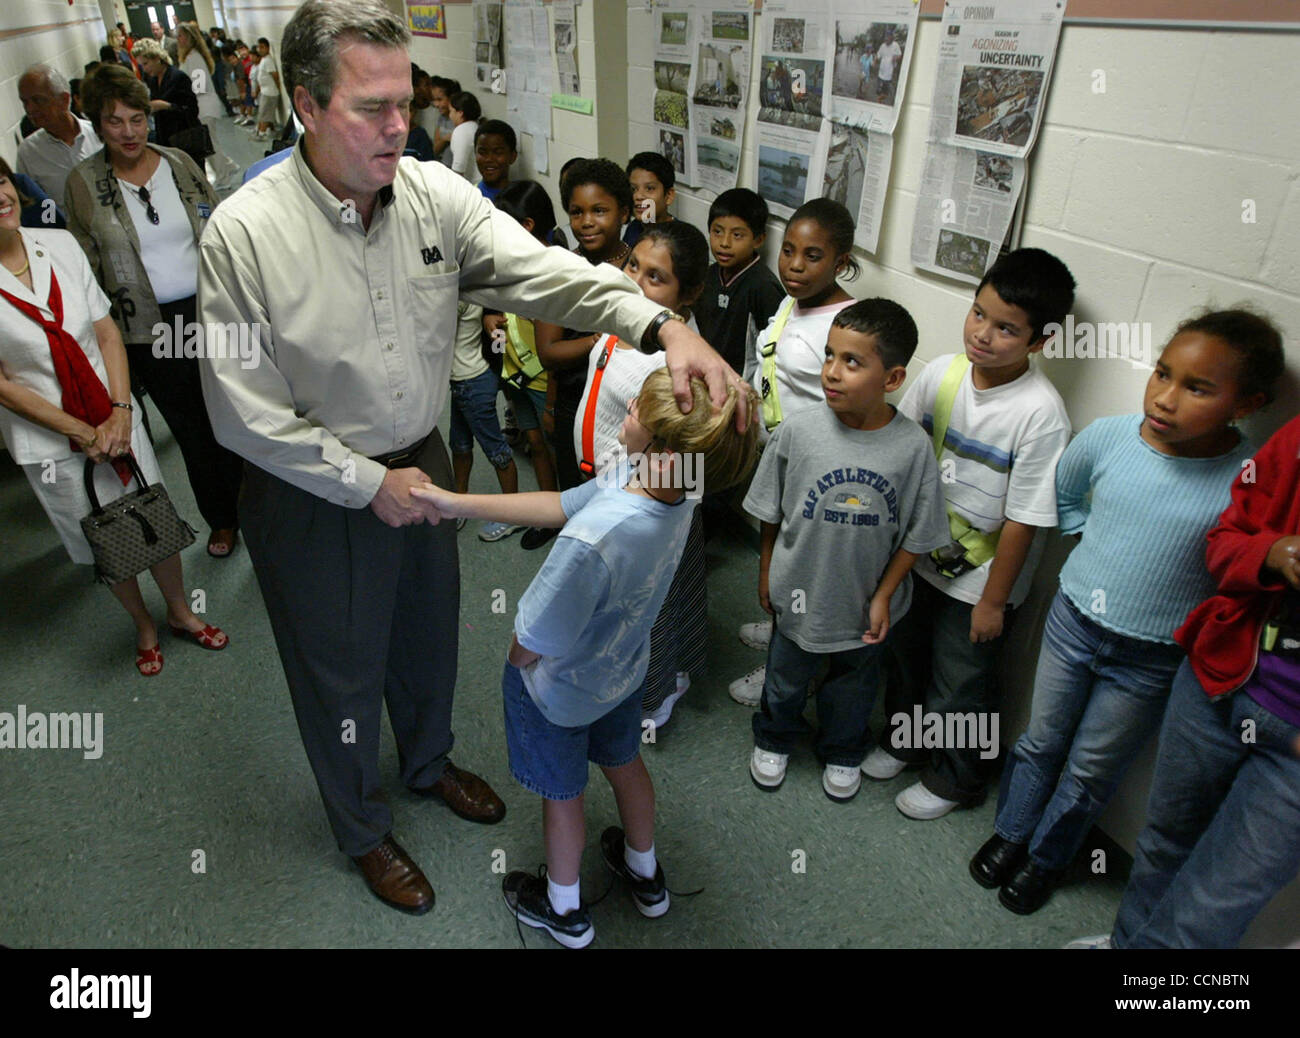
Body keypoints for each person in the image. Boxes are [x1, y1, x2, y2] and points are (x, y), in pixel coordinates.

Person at [195, 0, 747, 914]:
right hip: (312, 486)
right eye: (369, 107)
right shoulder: (246, 234)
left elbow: (545, 272)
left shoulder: (433, 195)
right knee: (337, 668)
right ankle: (364, 830)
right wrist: (366, 483)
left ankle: (426, 762)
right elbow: (242, 415)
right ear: (304, 103)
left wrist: (662, 322)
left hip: (424, 459)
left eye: (404, 102)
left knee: (426, 633)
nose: (398, 125)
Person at [410, 368, 759, 947]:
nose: (623, 415)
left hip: (557, 690)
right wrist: (455, 504)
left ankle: (564, 909)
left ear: (667, 448)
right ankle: (645, 876)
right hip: (623, 672)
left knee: (564, 794)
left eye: (634, 414)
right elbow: (563, 501)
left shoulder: (595, 538)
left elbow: (533, 636)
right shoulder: (681, 483)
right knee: (625, 763)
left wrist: (517, 659)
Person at [972, 309, 1283, 915]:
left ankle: (1048, 856)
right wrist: (1095, 539)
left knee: (1090, 768)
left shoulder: (1244, 477)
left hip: (1154, 655)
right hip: (1073, 624)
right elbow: (1065, 491)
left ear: (1247, 404)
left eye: (1196, 388)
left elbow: (1239, 559)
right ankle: (1011, 833)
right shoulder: (1112, 436)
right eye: (1162, 373)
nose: (1165, 398)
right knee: (1041, 742)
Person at [1072, 398, 1300, 949]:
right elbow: (1226, 539)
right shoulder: (1294, 440)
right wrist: (1271, 553)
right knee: (1164, 842)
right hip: (1221, 680)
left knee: (1216, 901)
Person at [864, 249, 1075, 822]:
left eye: (1006, 328)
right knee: (906, 659)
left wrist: (993, 601)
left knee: (960, 682)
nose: (982, 334)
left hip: (981, 578)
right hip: (919, 554)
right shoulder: (941, 373)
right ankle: (904, 741)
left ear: (1040, 341)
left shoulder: (1040, 414)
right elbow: (901, 450)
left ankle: (958, 777)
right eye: (978, 314)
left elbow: (1024, 521)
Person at [0, 157, 227, 678]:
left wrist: (122, 411)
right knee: (105, 533)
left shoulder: (55, 245)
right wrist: (80, 431)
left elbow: (105, 331)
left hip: (114, 412)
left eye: (3, 183)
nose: (2, 197)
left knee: (151, 512)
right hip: (54, 440)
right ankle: (143, 624)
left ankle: (178, 611)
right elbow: (4, 386)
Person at [745, 299, 950, 800]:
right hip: (797, 592)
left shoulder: (912, 448)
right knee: (786, 677)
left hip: (863, 605)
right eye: (829, 356)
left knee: (854, 687)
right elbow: (770, 511)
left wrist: (884, 595)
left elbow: (917, 535)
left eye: (852, 362)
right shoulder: (799, 430)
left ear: (894, 377)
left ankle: (842, 748)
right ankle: (774, 737)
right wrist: (767, 570)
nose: (831, 373)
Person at [65, 63, 244, 559]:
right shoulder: (83, 184)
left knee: (236, 412)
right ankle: (222, 518)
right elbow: (85, 270)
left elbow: (222, 230)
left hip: (208, 314)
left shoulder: (179, 162)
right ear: (98, 125)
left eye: (137, 118)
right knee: (192, 429)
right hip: (147, 328)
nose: (129, 131)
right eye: (115, 121)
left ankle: (255, 505)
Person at [574, 222, 712, 730]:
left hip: (642, 507)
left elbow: (687, 464)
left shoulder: (673, 364)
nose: (634, 283)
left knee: (647, 607)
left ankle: (654, 698)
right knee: (617, 603)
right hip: (606, 489)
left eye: (655, 278)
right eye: (633, 265)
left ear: (689, 294)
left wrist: (662, 519)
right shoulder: (626, 322)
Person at [728, 197, 859, 706]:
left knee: (799, 562)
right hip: (778, 454)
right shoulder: (788, 303)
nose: (795, 266)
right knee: (778, 556)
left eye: (812, 256)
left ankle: (787, 666)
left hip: (815, 464)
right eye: (788, 251)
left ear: (841, 262)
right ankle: (780, 617)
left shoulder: (847, 321)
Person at [491, 180, 562, 506]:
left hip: (545, 382)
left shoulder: (553, 268)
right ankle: (546, 510)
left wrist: (549, 403)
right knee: (534, 441)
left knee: (556, 446)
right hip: (515, 373)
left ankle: (566, 515)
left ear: (527, 225)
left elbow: (556, 348)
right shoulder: (512, 260)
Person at [16, 65, 102, 208]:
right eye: (25, 102)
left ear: (64, 100)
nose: (29, 109)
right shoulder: (28, 152)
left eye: (38, 100)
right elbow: (34, 207)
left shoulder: (99, 133)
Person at [177, 22, 241, 189]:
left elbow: (199, 85)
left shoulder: (194, 57)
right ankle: (228, 166)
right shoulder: (191, 56)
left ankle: (223, 177)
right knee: (212, 141)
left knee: (209, 144)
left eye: (181, 36)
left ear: (189, 38)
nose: (178, 40)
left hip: (203, 104)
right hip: (203, 104)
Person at [131, 39, 199, 151]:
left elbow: (192, 111)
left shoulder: (178, 77)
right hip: (166, 138)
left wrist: (166, 106)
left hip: (185, 138)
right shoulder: (153, 79)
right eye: (141, 65)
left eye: (146, 64)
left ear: (157, 58)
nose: (144, 69)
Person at [623, 150, 676, 250]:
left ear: (669, 196)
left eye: (650, 188)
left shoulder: (680, 238)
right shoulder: (633, 228)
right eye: (633, 189)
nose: (638, 196)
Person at [473, 119, 516, 200]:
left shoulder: (520, 200)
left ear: (513, 156)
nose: (489, 159)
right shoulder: (470, 197)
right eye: (482, 152)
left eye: (498, 152)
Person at [252, 38, 281, 141]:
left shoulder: (268, 60)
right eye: (258, 47)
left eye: (262, 47)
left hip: (270, 92)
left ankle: (262, 133)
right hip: (265, 91)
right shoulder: (263, 60)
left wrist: (278, 88)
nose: (259, 49)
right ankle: (264, 130)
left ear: (267, 48)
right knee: (263, 112)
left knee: (265, 114)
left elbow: (275, 75)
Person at [447, 90, 481, 180]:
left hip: (470, 186)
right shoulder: (475, 127)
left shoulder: (461, 131)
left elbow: (458, 170)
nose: (449, 116)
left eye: (451, 111)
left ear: (460, 113)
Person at [428, 75, 460, 166]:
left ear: (451, 98)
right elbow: (435, 150)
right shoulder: (441, 118)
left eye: (440, 99)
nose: (436, 104)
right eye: (434, 100)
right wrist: (446, 139)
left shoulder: (459, 119)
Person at [876, 30, 903, 104]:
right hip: (880, 73)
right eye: (885, 37)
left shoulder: (895, 45)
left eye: (888, 37)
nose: (886, 39)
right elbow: (878, 55)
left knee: (886, 94)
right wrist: (875, 61)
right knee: (878, 91)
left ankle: (879, 100)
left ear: (891, 37)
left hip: (888, 75)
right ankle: (879, 102)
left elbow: (900, 55)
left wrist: (896, 58)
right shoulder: (882, 45)